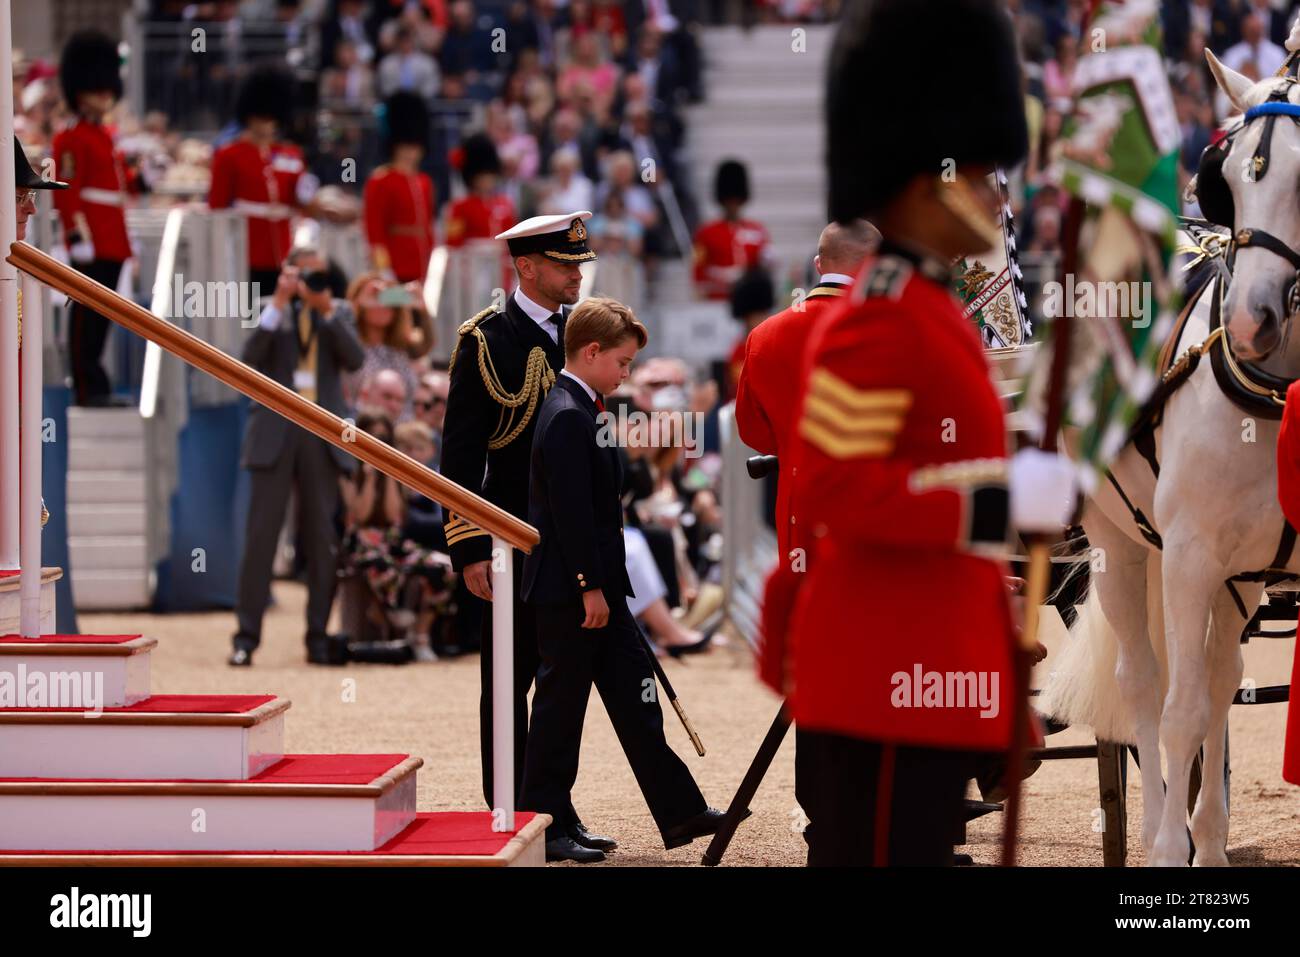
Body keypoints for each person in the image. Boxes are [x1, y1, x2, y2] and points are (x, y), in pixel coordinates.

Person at [758, 0, 1075, 866]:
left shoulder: (927, 308)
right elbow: (834, 487)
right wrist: (991, 506)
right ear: (918, 179)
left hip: (933, 660)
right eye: (975, 174)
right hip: (888, 669)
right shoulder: (881, 318)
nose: (990, 194)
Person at [519, 297, 723, 862]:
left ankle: (679, 808)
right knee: (561, 709)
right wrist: (590, 586)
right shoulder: (565, 413)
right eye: (623, 361)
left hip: (599, 586)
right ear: (592, 352)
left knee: (638, 695)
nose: (627, 372)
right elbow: (571, 514)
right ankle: (547, 824)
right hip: (573, 591)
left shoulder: (585, 407)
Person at [439, 210, 609, 853]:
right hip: (507, 538)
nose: (575, 275)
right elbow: (460, 457)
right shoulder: (485, 339)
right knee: (508, 681)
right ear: (527, 267)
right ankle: (510, 811)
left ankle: (554, 809)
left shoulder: (579, 334)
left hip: (565, 543)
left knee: (565, 681)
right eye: (565, 265)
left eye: (578, 266)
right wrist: (468, 545)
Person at [229, 247, 365, 667]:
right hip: (276, 427)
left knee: (321, 539)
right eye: (301, 274)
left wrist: (324, 310)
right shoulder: (270, 308)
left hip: (320, 430)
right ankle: (246, 638)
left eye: (317, 275)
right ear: (286, 274)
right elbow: (248, 359)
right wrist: (281, 302)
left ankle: (318, 637)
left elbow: (355, 359)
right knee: (260, 539)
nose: (310, 283)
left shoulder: (337, 311)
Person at [735, 219, 877, 561]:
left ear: (818, 265)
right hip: (876, 504)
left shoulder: (764, 336)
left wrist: (791, 442)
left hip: (799, 504)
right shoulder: (892, 328)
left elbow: (751, 428)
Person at [52, 30, 137, 407]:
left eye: (107, 88)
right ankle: (86, 386)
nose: (105, 95)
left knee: (101, 315)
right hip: (94, 237)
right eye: (96, 88)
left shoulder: (102, 135)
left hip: (112, 235)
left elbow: (115, 183)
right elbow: (68, 190)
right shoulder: (72, 138)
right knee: (86, 315)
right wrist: (75, 234)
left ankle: (96, 383)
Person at [208, 66, 315, 296]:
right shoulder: (230, 154)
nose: (266, 124)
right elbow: (217, 205)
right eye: (261, 117)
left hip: (285, 248)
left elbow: (300, 200)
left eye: (271, 118)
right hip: (246, 249)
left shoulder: (291, 154)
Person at [364, 92, 436, 283]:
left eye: (415, 148)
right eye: (405, 147)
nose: (411, 153)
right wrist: (384, 268)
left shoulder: (424, 181)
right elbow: (374, 230)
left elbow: (427, 226)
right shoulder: (381, 180)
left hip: (421, 265)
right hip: (395, 266)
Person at [692, 159, 769, 301]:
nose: (733, 204)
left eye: (736, 200)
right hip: (717, 301)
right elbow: (698, 271)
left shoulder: (757, 230)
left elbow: (764, 266)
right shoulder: (705, 233)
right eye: (729, 200)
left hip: (750, 302)